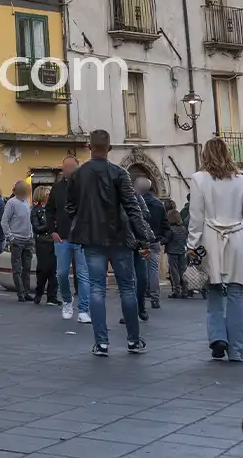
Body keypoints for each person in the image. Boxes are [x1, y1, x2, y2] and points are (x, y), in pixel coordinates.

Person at [64, 129, 155, 356]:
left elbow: (70, 207)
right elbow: (132, 207)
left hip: (92, 238)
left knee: (96, 289)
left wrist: (81, 220)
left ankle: (102, 343)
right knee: (127, 288)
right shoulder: (119, 173)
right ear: (109, 148)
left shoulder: (77, 175)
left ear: (89, 147)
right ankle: (133, 340)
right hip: (119, 237)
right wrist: (144, 238)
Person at [187, 138, 243, 362]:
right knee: (236, 294)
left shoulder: (199, 179)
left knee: (214, 291)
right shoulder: (241, 181)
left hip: (210, 238)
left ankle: (218, 337)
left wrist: (192, 245)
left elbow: (196, 216)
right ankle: (237, 348)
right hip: (237, 237)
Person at [47, 156, 90, 323]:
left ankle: (83, 310)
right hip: (62, 237)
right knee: (62, 273)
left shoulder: (86, 187)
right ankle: (67, 300)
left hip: (82, 237)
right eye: (66, 167)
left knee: (83, 274)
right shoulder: (57, 188)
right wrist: (52, 231)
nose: (69, 170)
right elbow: (49, 210)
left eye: (72, 167)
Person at [134, 176, 168, 311]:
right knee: (153, 270)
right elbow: (165, 224)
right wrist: (161, 238)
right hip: (154, 241)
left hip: (138, 240)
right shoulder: (159, 204)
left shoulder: (134, 201)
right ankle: (155, 298)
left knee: (136, 270)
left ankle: (138, 298)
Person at [1, 181, 34, 302]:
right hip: (17, 239)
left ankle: (25, 291)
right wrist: (10, 237)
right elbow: (4, 221)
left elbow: (28, 220)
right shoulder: (11, 203)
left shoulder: (25, 201)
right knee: (17, 268)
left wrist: (31, 234)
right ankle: (21, 292)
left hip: (27, 239)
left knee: (27, 267)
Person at [30, 186, 58, 305]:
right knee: (44, 269)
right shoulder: (36, 210)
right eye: (47, 194)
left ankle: (52, 296)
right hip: (42, 241)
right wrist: (50, 225)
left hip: (53, 241)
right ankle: (39, 292)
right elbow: (36, 228)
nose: (49, 196)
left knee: (53, 270)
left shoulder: (53, 209)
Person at [165, 208, 189, 298]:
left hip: (172, 251)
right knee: (183, 271)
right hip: (182, 251)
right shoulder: (183, 228)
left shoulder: (170, 229)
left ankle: (177, 290)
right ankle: (185, 291)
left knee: (174, 272)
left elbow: (166, 240)